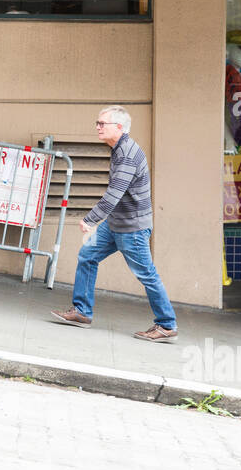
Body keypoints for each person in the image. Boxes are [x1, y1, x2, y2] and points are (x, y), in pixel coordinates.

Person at [50, 106, 178, 342]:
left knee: (147, 275)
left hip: (133, 228)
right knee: (87, 255)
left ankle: (167, 325)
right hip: (116, 224)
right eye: (97, 123)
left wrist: (90, 220)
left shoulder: (127, 154)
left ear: (119, 128)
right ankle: (81, 312)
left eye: (102, 124)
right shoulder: (118, 149)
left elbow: (113, 195)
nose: (98, 127)